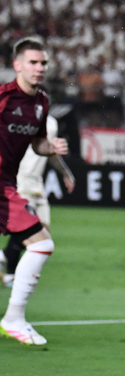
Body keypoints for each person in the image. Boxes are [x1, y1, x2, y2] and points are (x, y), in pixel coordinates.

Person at [0, 37, 70, 345]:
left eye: (43, 63)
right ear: (17, 65)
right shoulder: (3, 97)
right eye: (32, 62)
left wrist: (50, 147)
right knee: (42, 243)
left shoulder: (41, 102)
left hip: (8, 182)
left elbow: (37, 143)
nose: (39, 68)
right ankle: (14, 318)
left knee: (40, 243)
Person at [0, 113, 76, 286]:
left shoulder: (50, 123)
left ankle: (4, 256)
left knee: (43, 235)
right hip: (22, 180)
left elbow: (50, 152)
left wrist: (65, 172)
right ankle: (11, 275)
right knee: (28, 230)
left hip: (37, 183)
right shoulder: (16, 118)